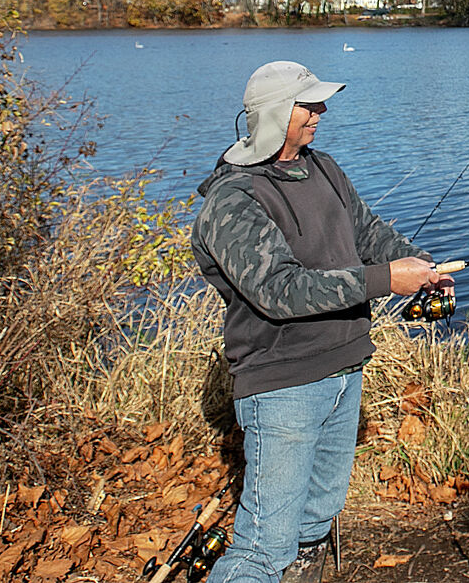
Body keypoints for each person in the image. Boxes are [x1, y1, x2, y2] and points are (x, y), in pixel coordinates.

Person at [191, 60, 452, 583]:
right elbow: (280, 291)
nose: (321, 112)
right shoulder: (234, 200)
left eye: (318, 102)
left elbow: (369, 234)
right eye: (307, 105)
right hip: (282, 383)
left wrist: (420, 268)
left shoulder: (324, 167)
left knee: (317, 518)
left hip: (344, 367)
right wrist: (384, 281)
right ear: (273, 116)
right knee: (264, 547)